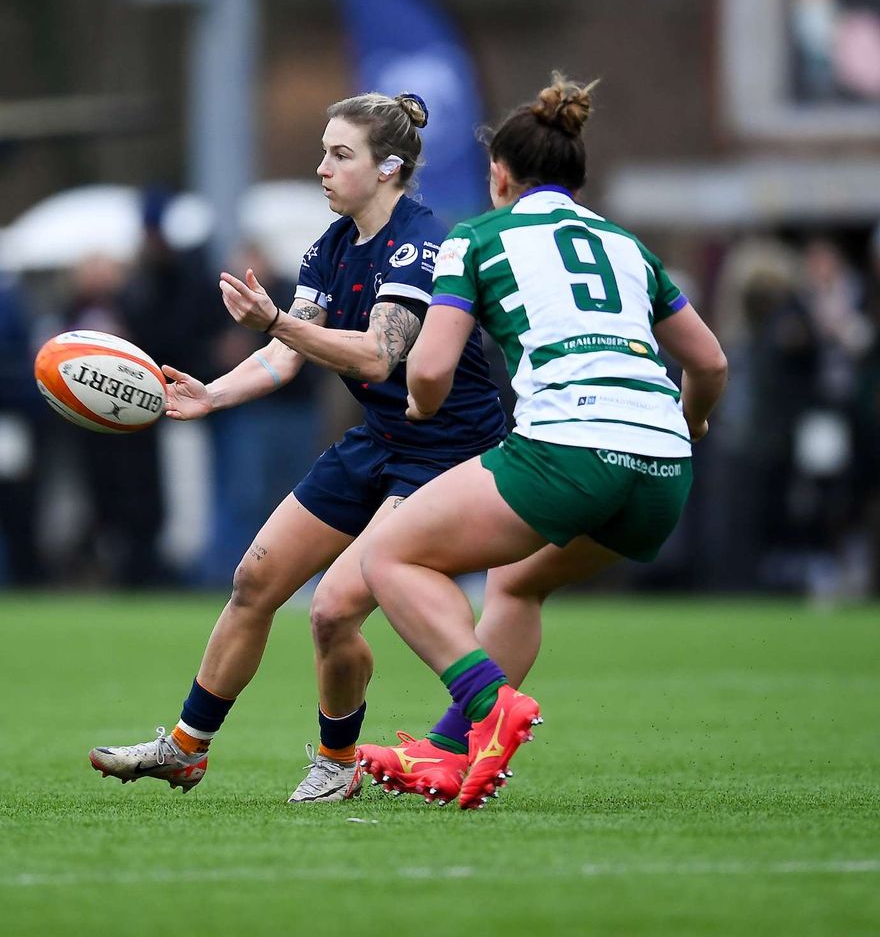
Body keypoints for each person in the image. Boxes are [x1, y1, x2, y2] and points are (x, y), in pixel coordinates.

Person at [88, 92, 507, 802]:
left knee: (332, 609)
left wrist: (278, 319)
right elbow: (286, 358)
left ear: (388, 169)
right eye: (323, 151)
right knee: (255, 581)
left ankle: (338, 760)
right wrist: (212, 393)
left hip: (446, 455)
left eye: (340, 154)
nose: (321, 168)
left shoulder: (424, 244)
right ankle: (185, 749)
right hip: (378, 440)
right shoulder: (329, 247)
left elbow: (377, 354)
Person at [352, 74, 728, 808]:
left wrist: (424, 406)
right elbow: (709, 361)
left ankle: (493, 707)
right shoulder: (628, 246)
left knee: (389, 556)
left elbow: (429, 370)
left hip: (567, 451)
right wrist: (691, 423)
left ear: (500, 174)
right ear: (576, 180)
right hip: (662, 471)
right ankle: (451, 750)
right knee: (520, 581)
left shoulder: (476, 235)